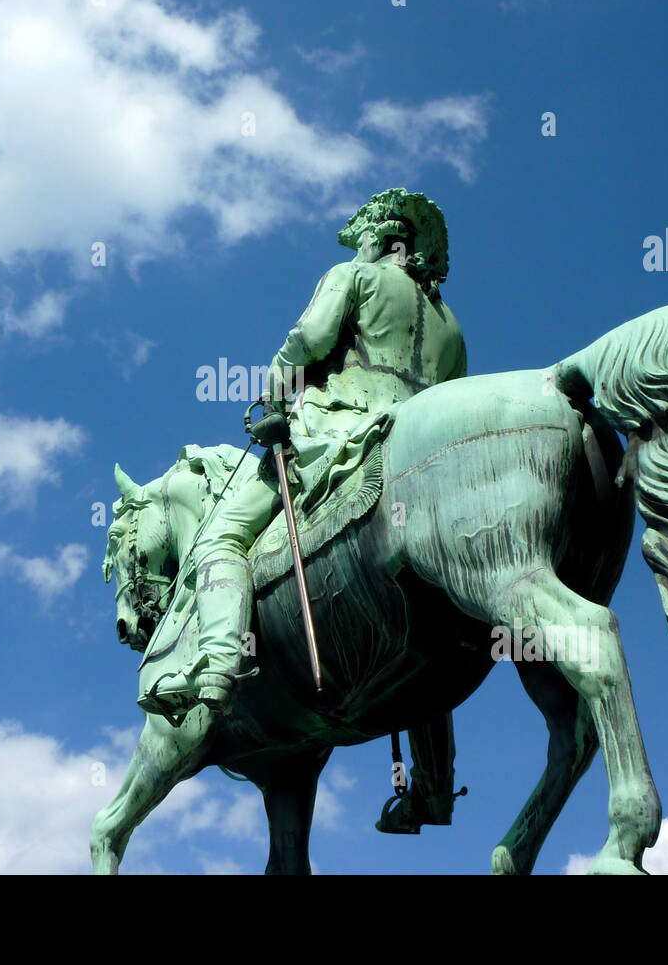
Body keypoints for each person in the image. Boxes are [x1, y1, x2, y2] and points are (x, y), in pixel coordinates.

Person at [139, 188, 468, 830]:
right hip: (417, 440)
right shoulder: (452, 328)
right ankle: (433, 786)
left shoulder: (355, 276)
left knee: (218, 540)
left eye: (366, 237)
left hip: (333, 429)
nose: (362, 246)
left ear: (379, 238)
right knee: (438, 613)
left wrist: (275, 381)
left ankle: (220, 663)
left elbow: (310, 338)